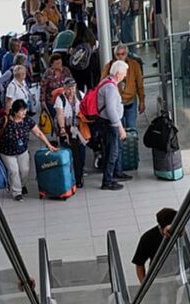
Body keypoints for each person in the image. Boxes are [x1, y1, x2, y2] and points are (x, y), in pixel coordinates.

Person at [0, 98, 58, 200]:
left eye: (25, 110)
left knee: (24, 170)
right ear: (14, 111)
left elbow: (38, 133)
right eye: (22, 110)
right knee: (14, 171)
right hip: (7, 152)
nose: (24, 112)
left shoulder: (27, 120)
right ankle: (17, 192)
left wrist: (48, 144)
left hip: (22, 151)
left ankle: (22, 185)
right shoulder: (5, 120)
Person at [97, 60, 130, 190]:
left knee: (112, 151)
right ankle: (107, 181)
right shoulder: (110, 87)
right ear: (117, 74)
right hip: (109, 124)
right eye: (124, 73)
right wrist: (120, 127)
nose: (125, 76)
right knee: (112, 152)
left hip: (108, 123)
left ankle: (113, 175)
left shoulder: (107, 82)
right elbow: (111, 110)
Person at [102, 43, 145, 130]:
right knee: (118, 130)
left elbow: (140, 85)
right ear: (115, 55)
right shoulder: (109, 67)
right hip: (116, 103)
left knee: (131, 128)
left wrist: (142, 101)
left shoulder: (134, 65)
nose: (120, 56)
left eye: (123, 54)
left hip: (130, 101)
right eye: (118, 54)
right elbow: (103, 84)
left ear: (127, 54)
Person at [54, 78, 86, 189]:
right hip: (67, 130)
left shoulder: (80, 95)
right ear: (64, 89)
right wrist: (62, 128)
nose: (71, 91)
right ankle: (72, 178)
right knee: (69, 153)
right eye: (68, 88)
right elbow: (60, 114)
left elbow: (85, 109)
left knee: (81, 154)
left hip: (79, 129)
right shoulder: (60, 99)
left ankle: (79, 175)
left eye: (73, 87)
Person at [132, 208, 177, 282]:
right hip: (160, 277)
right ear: (160, 226)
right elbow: (139, 264)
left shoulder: (182, 232)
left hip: (182, 272)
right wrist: (144, 284)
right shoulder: (148, 238)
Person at [69, 21, 99, 91]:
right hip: (90, 62)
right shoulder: (90, 36)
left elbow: (72, 53)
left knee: (80, 86)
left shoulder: (77, 40)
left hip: (79, 68)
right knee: (90, 85)